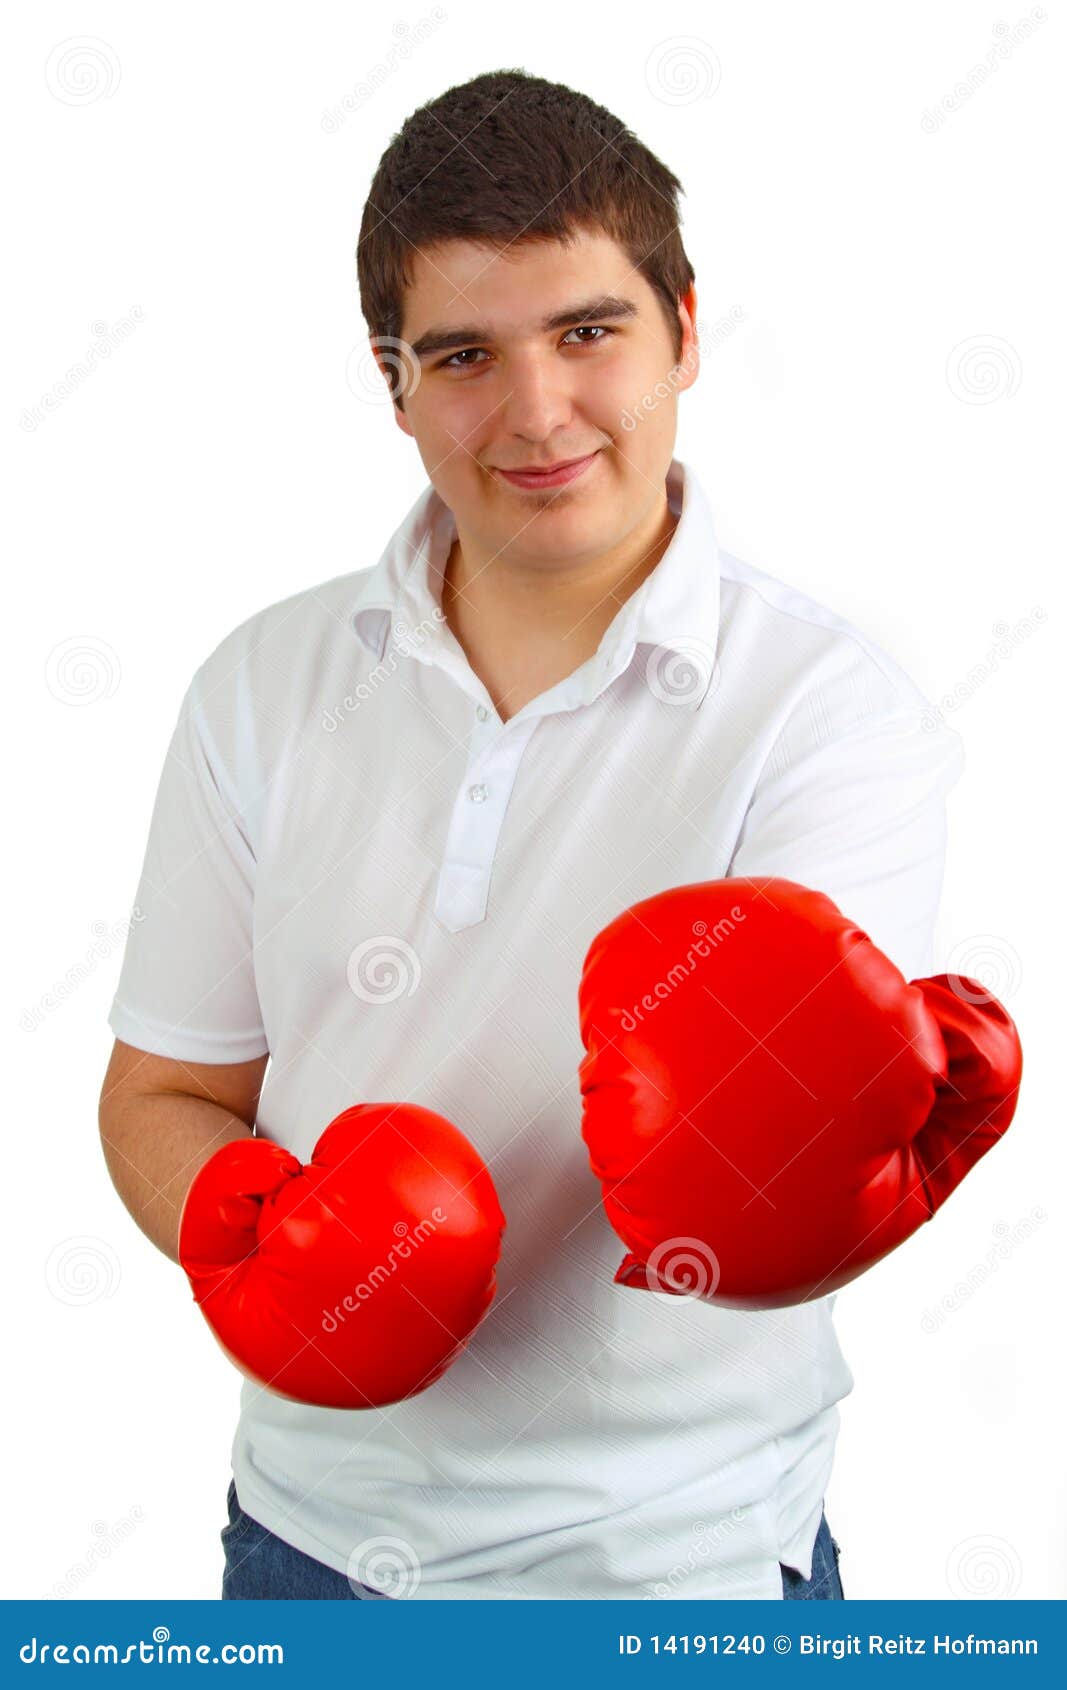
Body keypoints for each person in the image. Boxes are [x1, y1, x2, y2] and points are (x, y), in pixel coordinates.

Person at [100, 69, 962, 1601]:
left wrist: (820, 1165)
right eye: (463, 355)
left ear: (684, 331)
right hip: (308, 1539)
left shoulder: (826, 712)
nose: (537, 411)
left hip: (683, 1566)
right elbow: (166, 1089)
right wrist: (261, 1234)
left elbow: (789, 1168)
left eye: (587, 332)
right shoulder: (261, 684)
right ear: (394, 384)